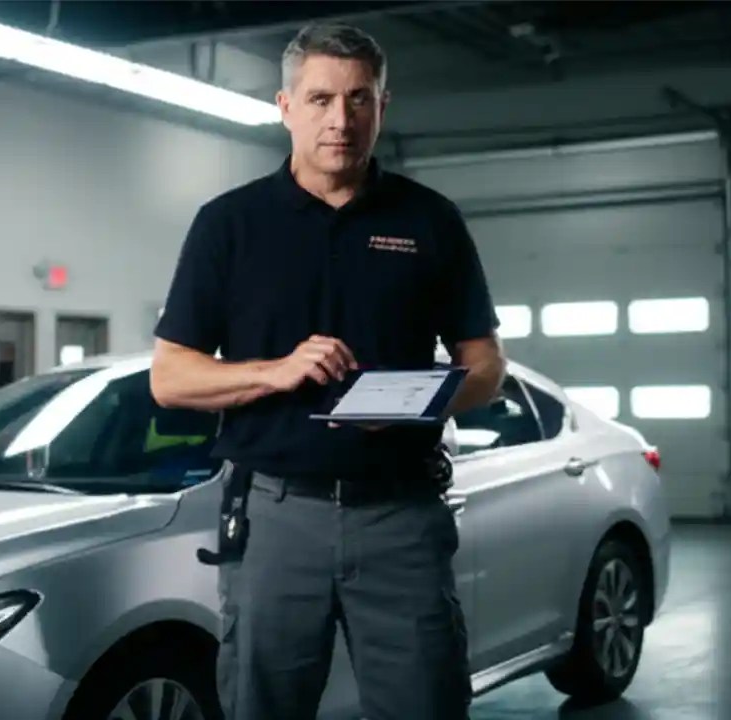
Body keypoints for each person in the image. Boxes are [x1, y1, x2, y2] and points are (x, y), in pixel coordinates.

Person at [150, 22, 506, 720]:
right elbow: (171, 378)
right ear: (285, 107)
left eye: (359, 99)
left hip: (402, 515)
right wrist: (275, 372)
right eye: (319, 99)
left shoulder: (430, 220)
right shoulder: (229, 224)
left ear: (382, 104)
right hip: (277, 517)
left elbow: (486, 366)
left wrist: (423, 403)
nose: (340, 120)